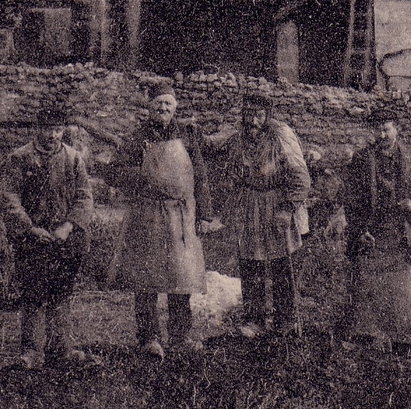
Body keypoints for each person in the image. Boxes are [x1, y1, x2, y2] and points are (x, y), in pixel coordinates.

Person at [99, 81, 214, 359]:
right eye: (158, 103)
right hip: (147, 214)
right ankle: (149, 337)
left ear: (175, 108)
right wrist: (143, 176)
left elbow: (200, 175)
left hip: (181, 215)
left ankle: (180, 335)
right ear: (150, 107)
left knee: (181, 278)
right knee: (146, 278)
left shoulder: (187, 136)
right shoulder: (138, 136)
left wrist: (205, 215)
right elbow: (114, 172)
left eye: (167, 104)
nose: (162, 108)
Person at [0, 109, 95, 369]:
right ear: (38, 128)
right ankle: (31, 352)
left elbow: (84, 197)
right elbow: (10, 198)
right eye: (48, 128)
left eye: (58, 129)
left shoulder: (74, 159)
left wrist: (68, 226)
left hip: (65, 240)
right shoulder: (20, 158)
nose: (53, 135)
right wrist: (30, 229)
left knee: (61, 294)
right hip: (32, 240)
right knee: (33, 295)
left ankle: (60, 350)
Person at [339, 113, 411, 355]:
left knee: (404, 286)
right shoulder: (361, 160)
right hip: (372, 232)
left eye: (386, 130)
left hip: (401, 233)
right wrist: (359, 231)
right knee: (366, 281)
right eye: (377, 130)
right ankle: (365, 340)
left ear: (397, 129)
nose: (381, 136)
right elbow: (351, 200)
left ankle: (404, 342)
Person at [229, 95, 312, 337]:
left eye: (259, 115)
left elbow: (301, 178)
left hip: (277, 203)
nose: (253, 121)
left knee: (280, 264)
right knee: (250, 261)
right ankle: (254, 320)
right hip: (250, 205)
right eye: (249, 114)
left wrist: (287, 209)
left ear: (268, 116)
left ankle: (286, 319)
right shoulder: (240, 138)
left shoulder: (280, 136)